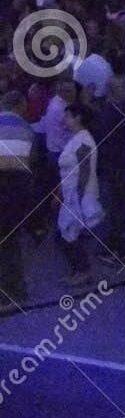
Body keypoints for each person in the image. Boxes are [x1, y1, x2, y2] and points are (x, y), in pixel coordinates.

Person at [56, 104, 103, 287]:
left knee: (68, 233)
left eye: (68, 116)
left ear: (78, 118)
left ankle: (82, 271)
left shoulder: (84, 142)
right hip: (70, 194)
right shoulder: (76, 139)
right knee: (67, 233)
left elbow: (85, 172)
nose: (64, 120)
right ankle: (80, 270)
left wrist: (80, 200)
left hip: (77, 196)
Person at [0, 92, 33, 302]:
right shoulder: (27, 129)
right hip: (18, 189)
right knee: (10, 239)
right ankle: (16, 290)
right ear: (20, 105)